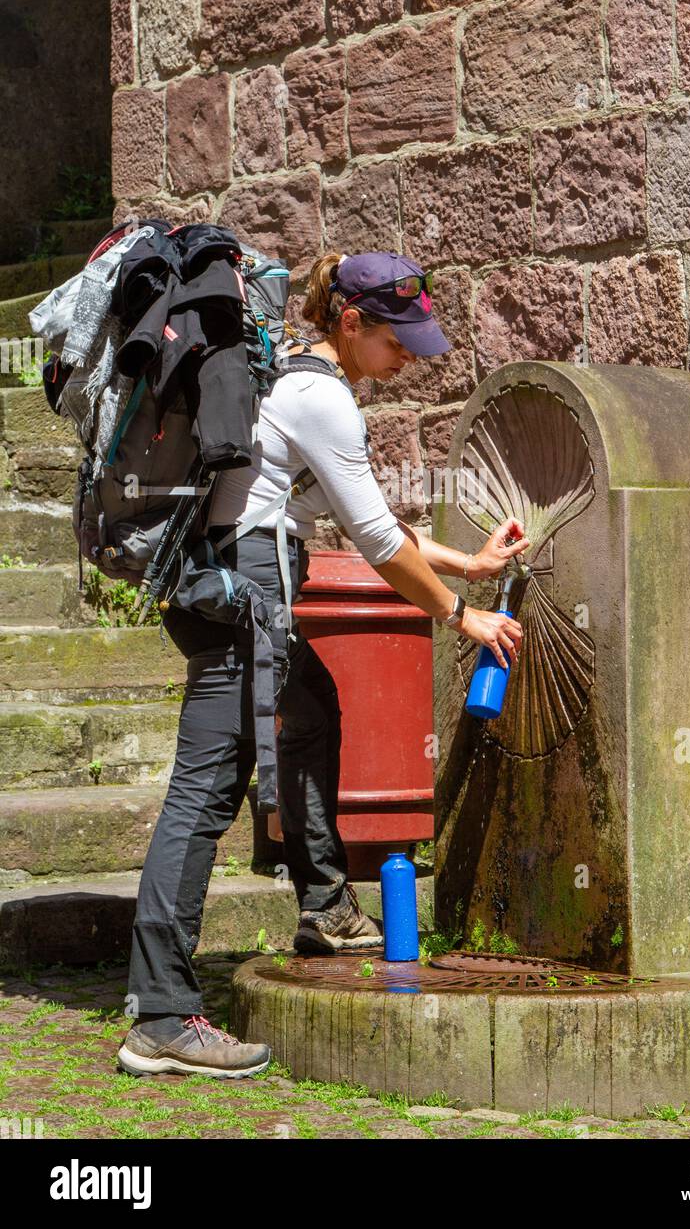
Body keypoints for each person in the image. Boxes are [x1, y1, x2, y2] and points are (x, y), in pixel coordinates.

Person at [117, 250, 528, 1078]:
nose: (409, 357)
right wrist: (460, 615)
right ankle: (160, 1014)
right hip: (244, 590)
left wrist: (467, 567)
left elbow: (365, 516)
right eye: (398, 340)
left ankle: (324, 903)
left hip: (224, 576)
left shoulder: (297, 382)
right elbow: (376, 541)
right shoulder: (321, 398)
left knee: (309, 713)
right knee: (205, 791)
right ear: (350, 321)